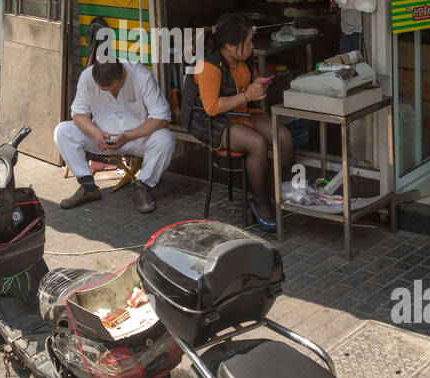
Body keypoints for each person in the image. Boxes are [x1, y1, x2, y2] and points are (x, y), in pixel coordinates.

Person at [181, 13, 294, 232]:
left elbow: (245, 85)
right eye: (249, 41)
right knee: (256, 143)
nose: (252, 46)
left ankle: (278, 193)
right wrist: (247, 96)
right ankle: (261, 203)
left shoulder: (243, 57)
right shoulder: (208, 65)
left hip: (238, 111)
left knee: (284, 138)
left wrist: (257, 85)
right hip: (209, 121)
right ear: (232, 46)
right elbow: (211, 107)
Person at [55, 58, 175, 214]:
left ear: (123, 72)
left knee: (165, 139)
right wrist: (94, 132)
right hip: (101, 138)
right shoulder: (87, 77)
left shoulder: (141, 76)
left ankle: (142, 188)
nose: (112, 93)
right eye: (106, 90)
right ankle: (88, 188)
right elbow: (78, 113)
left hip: (137, 137)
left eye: (115, 89)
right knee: (63, 130)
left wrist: (128, 136)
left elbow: (161, 117)